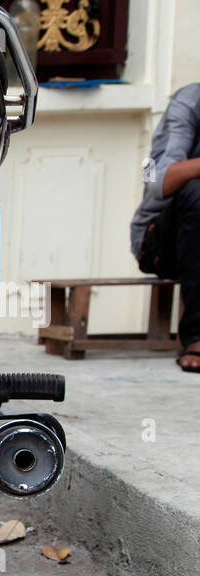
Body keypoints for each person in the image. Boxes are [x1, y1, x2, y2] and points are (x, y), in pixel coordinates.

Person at [130, 82, 200, 372]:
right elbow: (160, 181)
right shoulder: (189, 103)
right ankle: (196, 337)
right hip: (161, 241)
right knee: (196, 191)